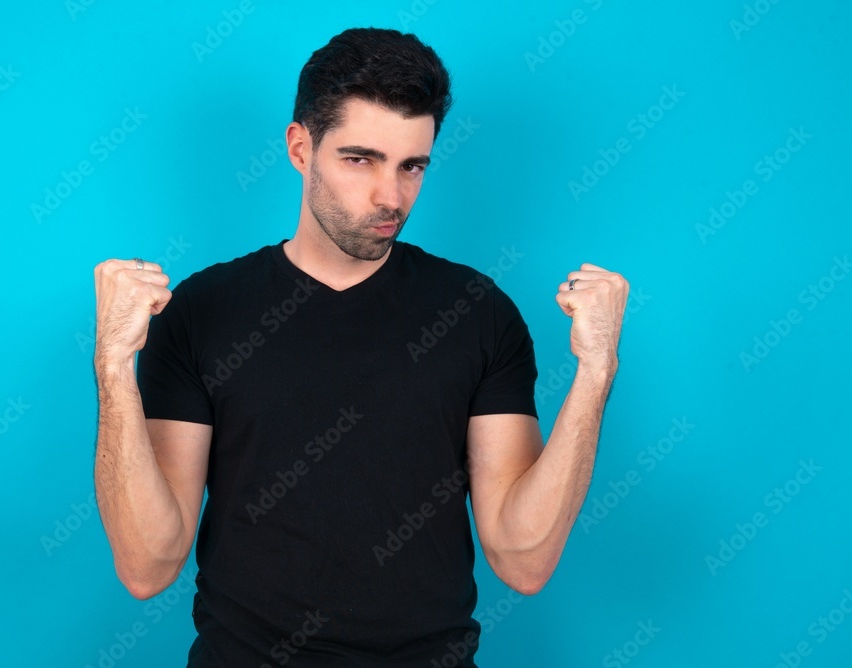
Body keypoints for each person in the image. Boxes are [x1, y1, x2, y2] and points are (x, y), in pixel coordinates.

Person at [92, 27, 628, 667]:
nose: (390, 197)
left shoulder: (477, 313)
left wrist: (596, 372)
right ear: (300, 147)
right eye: (360, 159)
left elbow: (524, 558)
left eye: (412, 165)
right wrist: (113, 366)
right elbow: (146, 565)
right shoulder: (202, 312)